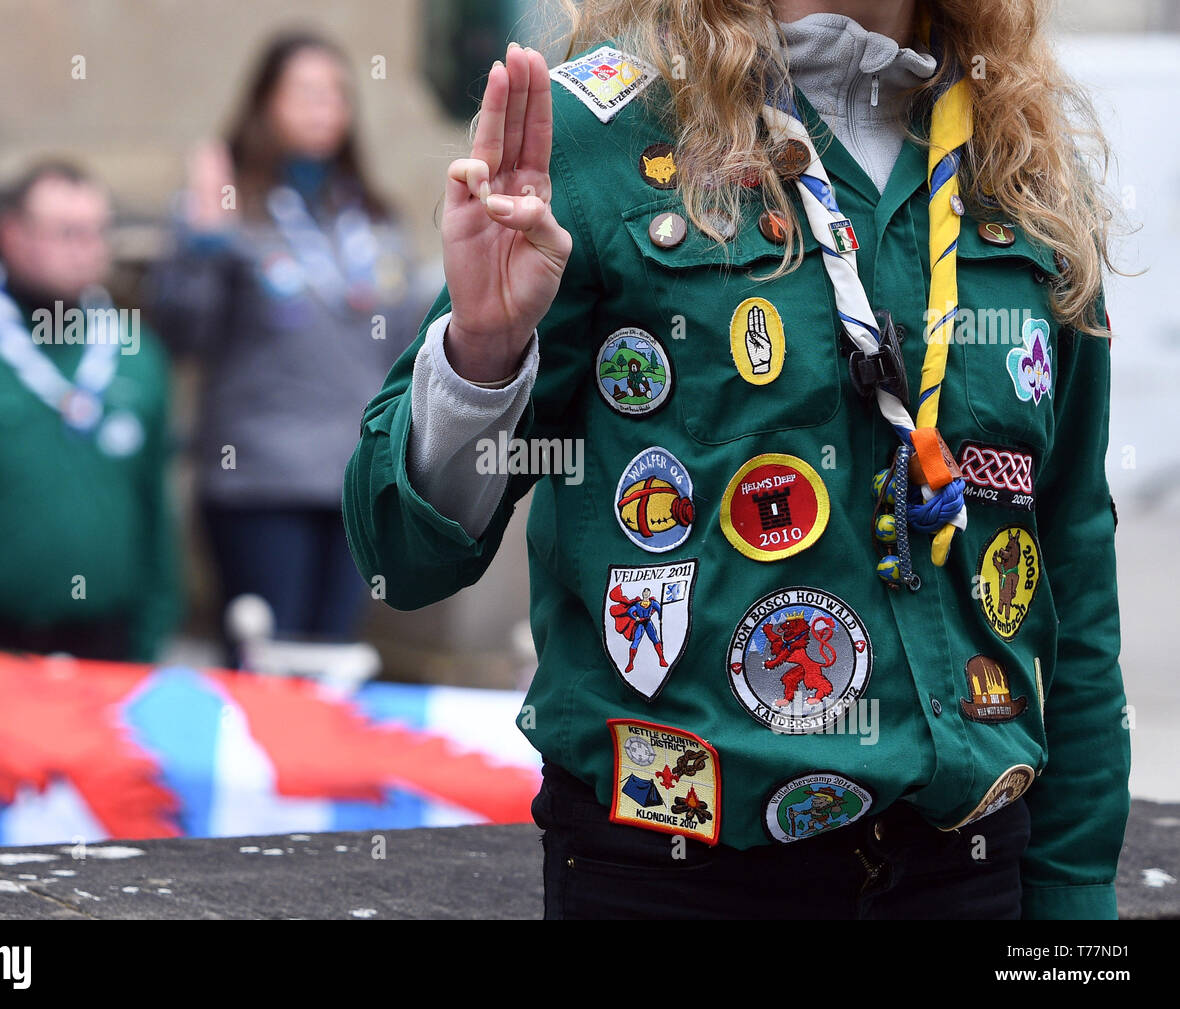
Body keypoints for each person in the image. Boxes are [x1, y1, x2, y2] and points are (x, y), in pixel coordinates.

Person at [344, 0, 1130, 920]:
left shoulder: (1019, 152)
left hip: (968, 870)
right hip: (678, 874)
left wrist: (1076, 900)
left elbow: (1069, 556)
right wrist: (482, 350)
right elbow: (400, 551)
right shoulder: (595, 138)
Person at [149, 30, 421, 654]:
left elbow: (404, 351)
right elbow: (182, 334)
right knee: (268, 667)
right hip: (259, 479)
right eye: (306, 92)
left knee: (333, 671)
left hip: (354, 482)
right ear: (264, 103)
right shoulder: (226, 206)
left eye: (338, 94)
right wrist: (201, 248)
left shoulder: (374, 219)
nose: (326, 106)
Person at [0, 161, 180, 661]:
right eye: (66, 232)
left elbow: (154, 508)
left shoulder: (135, 352)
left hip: (95, 647)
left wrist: (151, 636)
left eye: (97, 233)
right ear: (12, 235)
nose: (86, 249)